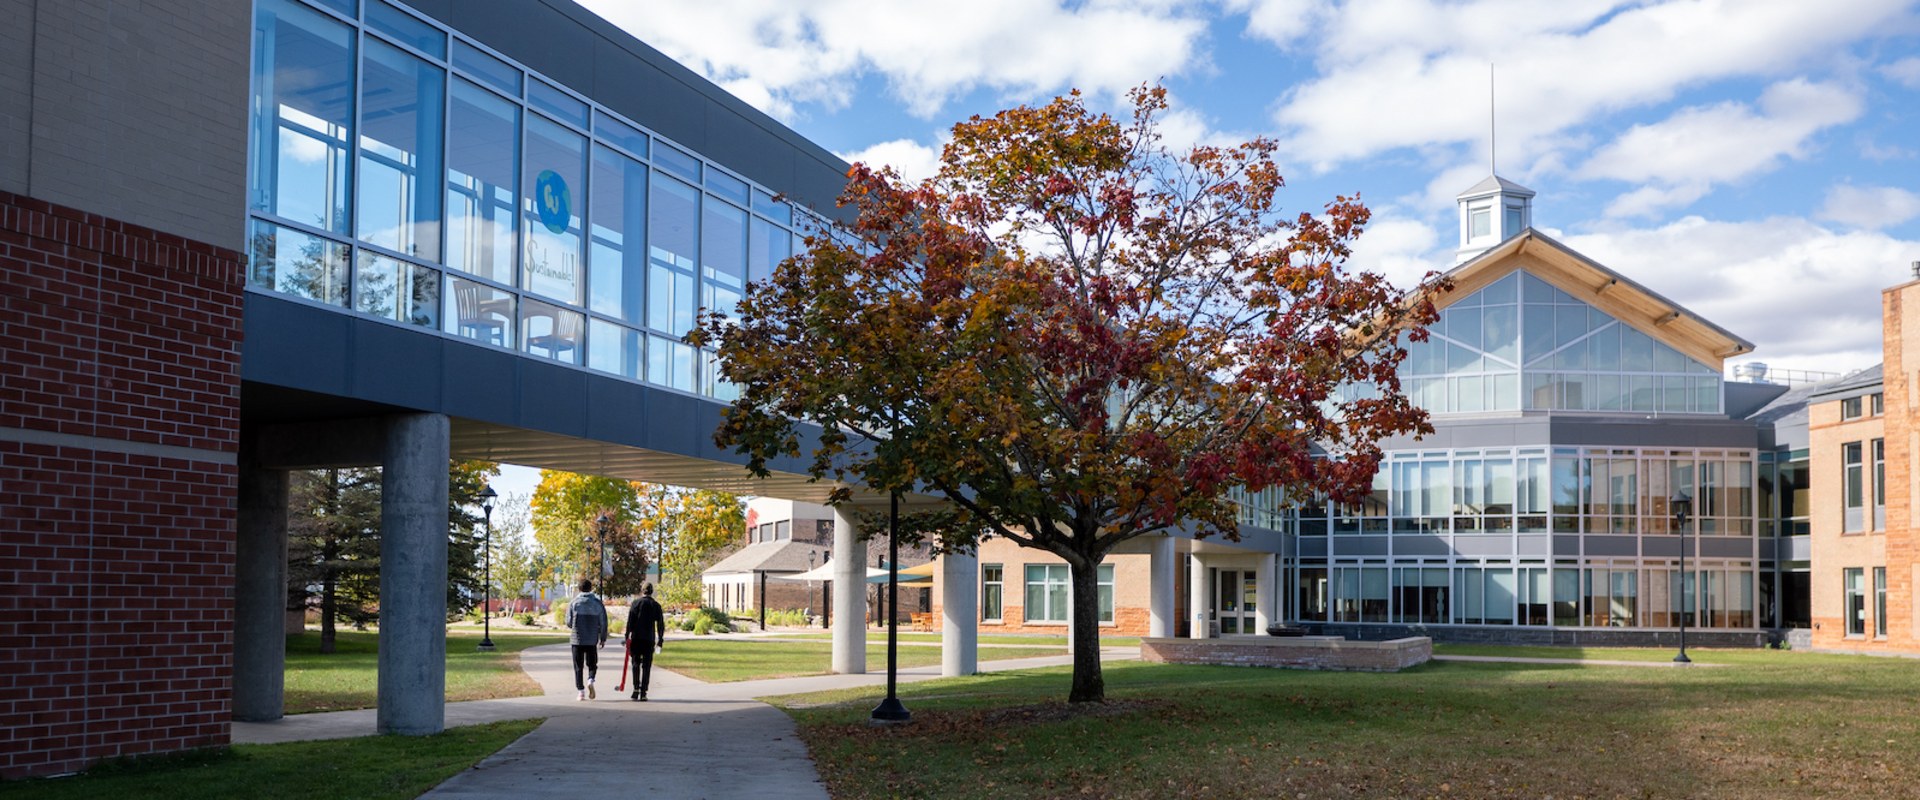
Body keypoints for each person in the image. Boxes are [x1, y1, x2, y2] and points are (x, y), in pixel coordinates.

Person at [624, 583, 667, 701]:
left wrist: (627, 636)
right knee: (647, 666)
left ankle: (635, 689)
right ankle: (644, 691)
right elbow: (660, 624)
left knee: (635, 664)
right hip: (649, 638)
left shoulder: (636, 604)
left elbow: (630, 622)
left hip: (637, 638)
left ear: (642, 591)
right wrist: (660, 639)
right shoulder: (656, 605)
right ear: (652, 591)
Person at [567, 578, 608, 700]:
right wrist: (603, 637)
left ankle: (581, 691)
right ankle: (591, 679)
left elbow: (568, 622)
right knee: (592, 664)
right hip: (591, 639)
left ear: (579, 589)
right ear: (591, 589)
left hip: (577, 639)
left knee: (578, 666)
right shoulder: (597, 603)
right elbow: (603, 623)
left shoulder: (573, 603)